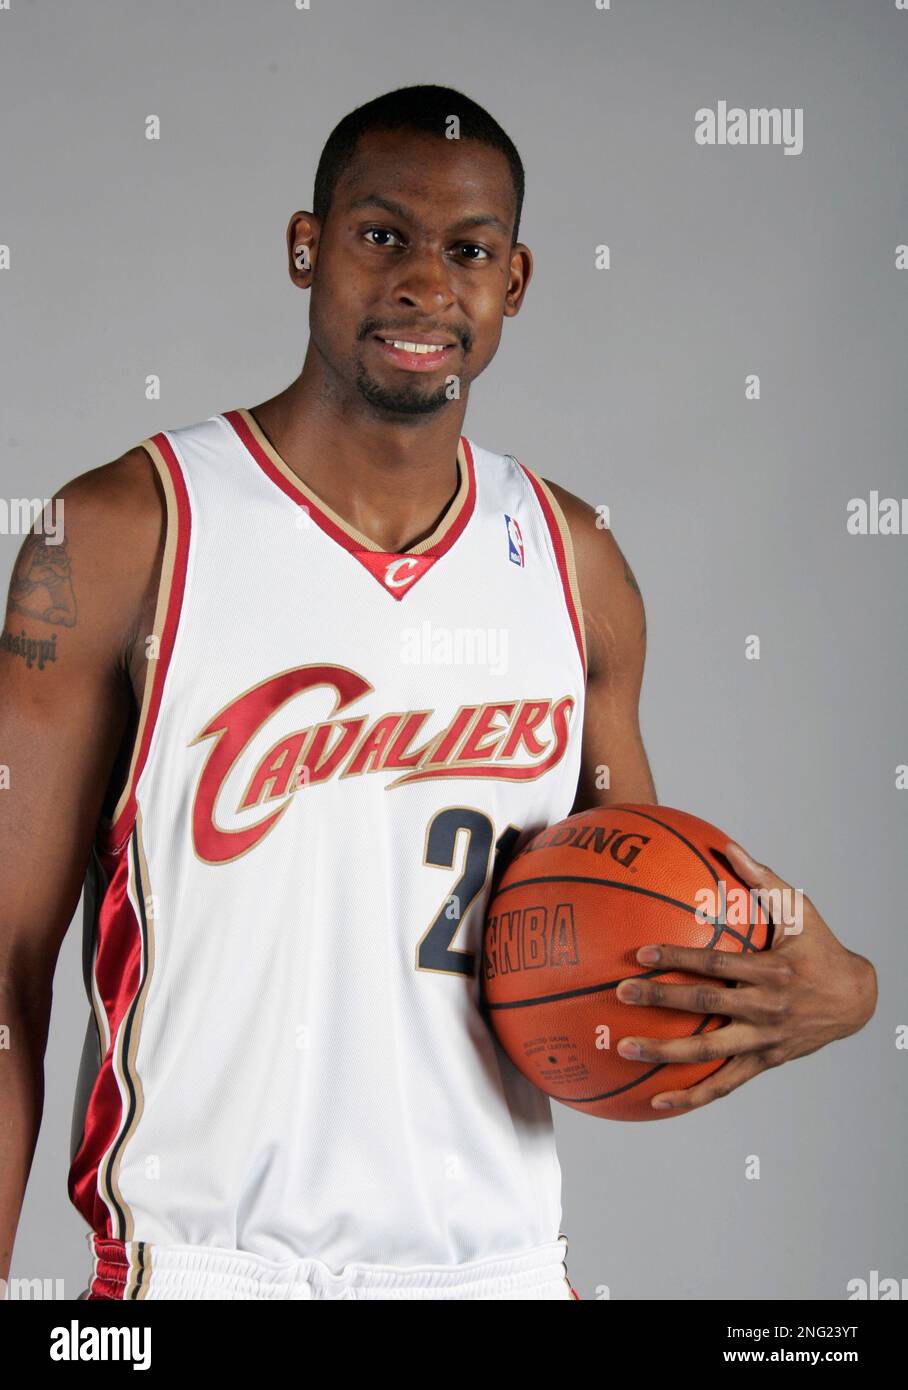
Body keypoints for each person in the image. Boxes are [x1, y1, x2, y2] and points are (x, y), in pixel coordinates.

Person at [0, 84, 876, 1302]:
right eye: (380, 235)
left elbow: (640, 921)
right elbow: (8, 963)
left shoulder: (574, 563)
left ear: (512, 282)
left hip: (496, 1270)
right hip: (200, 1266)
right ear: (305, 248)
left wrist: (826, 984)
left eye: (465, 251)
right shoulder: (118, 533)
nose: (423, 282)